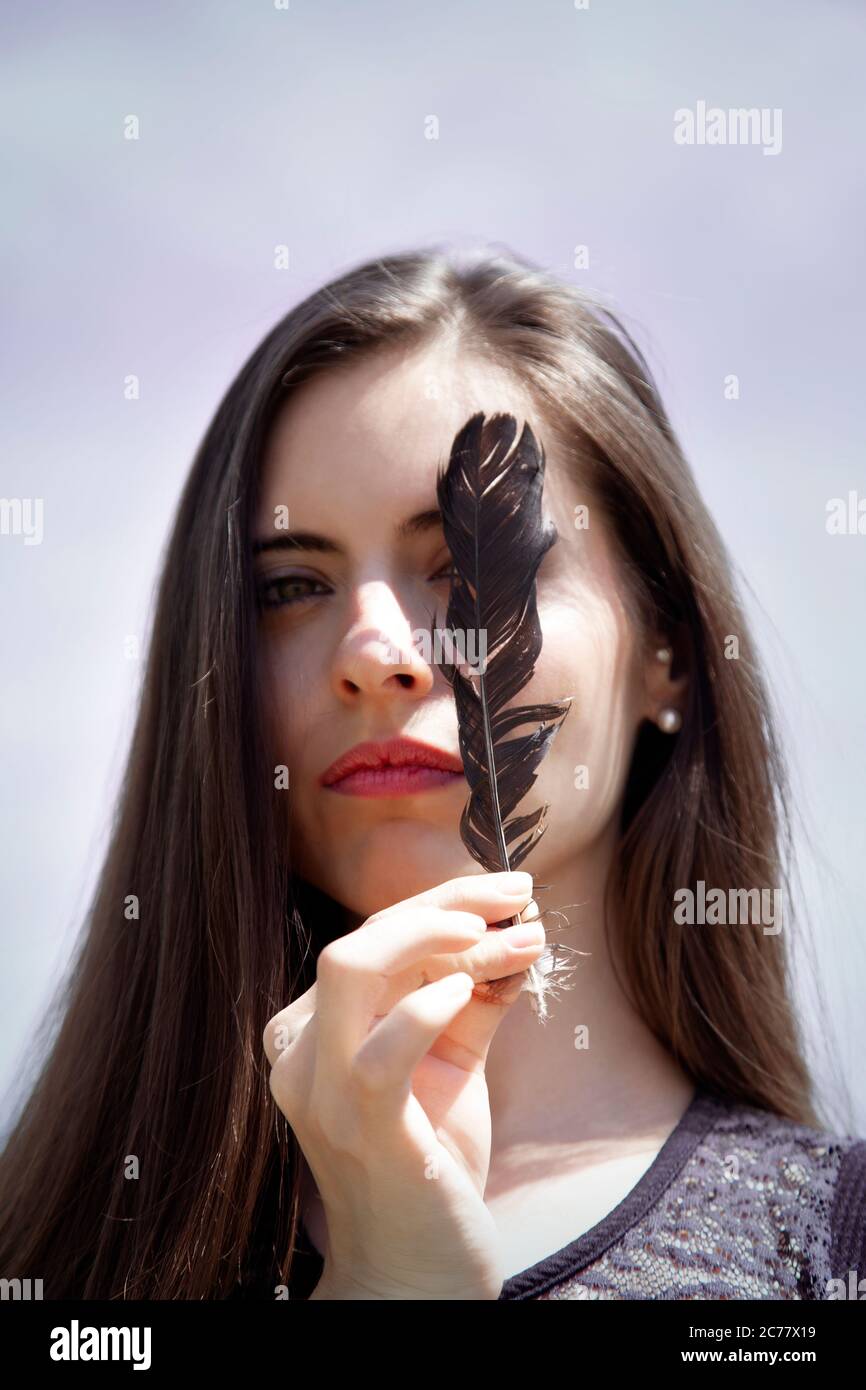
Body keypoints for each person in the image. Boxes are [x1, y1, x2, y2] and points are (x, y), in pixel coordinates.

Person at [1, 248, 864, 1301]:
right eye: (289, 586)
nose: (371, 649)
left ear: (665, 653)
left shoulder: (828, 1255)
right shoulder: (48, 1264)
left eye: (464, 567)